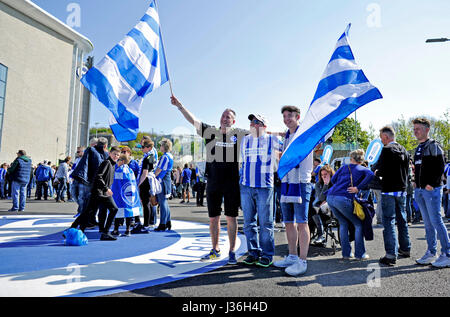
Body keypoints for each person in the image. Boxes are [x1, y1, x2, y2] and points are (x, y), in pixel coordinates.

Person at [171, 95, 248, 262]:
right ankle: (215, 249)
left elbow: (261, 132)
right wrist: (180, 106)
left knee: (231, 217)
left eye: (228, 116)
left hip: (231, 183)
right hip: (213, 181)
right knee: (213, 218)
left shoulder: (240, 134)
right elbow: (194, 121)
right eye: (223, 115)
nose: (225, 118)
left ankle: (232, 250)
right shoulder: (211, 132)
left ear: (233, 121)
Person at [273, 105, 314, 276]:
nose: (286, 119)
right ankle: (292, 255)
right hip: (286, 182)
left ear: (298, 117)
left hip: (301, 182)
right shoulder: (287, 136)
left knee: (302, 222)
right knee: (289, 222)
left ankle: (302, 260)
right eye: (284, 116)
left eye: (290, 115)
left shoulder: (305, 133)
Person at [239, 114, 281, 267]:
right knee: (248, 223)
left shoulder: (273, 140)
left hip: (265, 187)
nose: (253, 124)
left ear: (264, 126)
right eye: (251, 121)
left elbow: (290, 149)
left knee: (265, 223)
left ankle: (267, 255)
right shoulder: (245, 140)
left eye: (257, 122)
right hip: (246, 186)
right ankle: (253, 253)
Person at [412, 118, 449, 268]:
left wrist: (431, 184)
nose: (415, 131)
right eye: (414, 129)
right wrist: (415, 181)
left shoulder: (434, 146)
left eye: (418, 128)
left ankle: (447, 253)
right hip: (420, 190)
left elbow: (442, 166)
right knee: (427, 223)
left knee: (436, 221)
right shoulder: (418, 148)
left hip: (431, 190)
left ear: (427, 129)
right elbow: (417, 168)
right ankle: (431, 252)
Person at [326, 149, 374, 261]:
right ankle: (360, 254)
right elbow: (371, 175)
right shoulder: (362, 168)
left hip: (331, 197)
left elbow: (333, 180)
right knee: (358, 224)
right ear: (361, 160)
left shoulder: (343, 167)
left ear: (351, 159)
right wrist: (358, 188)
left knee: (343, 224)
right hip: (343, 198)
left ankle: (346, 254)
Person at [374, 126, 411, 266]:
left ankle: (390, 255)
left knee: (389, 221)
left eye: (381, 137)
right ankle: (405, 248)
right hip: (402, 189)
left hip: (388, 190)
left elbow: (381, 170)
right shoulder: (404, 151)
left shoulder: (386, 150)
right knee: (402, 219)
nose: (381, 140)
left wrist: (377, 172)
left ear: (386, 137)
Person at [70, 146, 121, 240]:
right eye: (114, 154)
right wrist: (106, 189)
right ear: (110, 153)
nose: (116, 156)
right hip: (100, 192)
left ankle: (71, 229)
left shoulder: (112, 164)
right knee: (114, 209)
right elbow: (99, 176)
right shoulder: (107, 162)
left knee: (87, 212)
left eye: (118, 155)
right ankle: (105, 232)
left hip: (98, 192)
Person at [71, 137, 109, 220]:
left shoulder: (94, 151)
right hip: (93, 180)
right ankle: (88, 219)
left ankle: (86, 219)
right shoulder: (102, 153)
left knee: (87, 200)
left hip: (89, 180)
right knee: (90, 201)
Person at [111, 153, 142, 237]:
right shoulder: (130, 170)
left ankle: (116, 229)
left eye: (119, 160)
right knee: (128, 212)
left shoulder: (119, 170)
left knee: (119, 212)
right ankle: (128, 230)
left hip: (120, 195)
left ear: (123, 161)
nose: (117, 161)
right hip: (130, 195)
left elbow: (115, 184)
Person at [310, 164, 335, 245]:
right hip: (320, 208)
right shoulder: (318, 184)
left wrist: (327, 200)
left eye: (326, 174)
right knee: (313, 208)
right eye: (322, 175)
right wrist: (325, 185)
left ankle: (321, 235)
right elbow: (320, 198)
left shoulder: (336, 183)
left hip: (333, 207)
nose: (324, 176)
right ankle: (321, 235)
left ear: (330, 174)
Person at [154, 138, 174, 231]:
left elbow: (159, 169)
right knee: (164, 202)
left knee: (162, 202)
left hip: (162, 180)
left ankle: (163, 223)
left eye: (161, 145)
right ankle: (168, 222)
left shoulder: (165, 156)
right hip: (166, 180)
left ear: (164, 146)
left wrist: (153, 176)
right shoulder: (170, 156)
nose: (160, 147)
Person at [137, 139, 157, 229]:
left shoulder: (147, 158)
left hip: (145, 182)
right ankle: (147, 223)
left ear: (149, 148)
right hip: (148, 181)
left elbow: (144, 173)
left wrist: (139, 184)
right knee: (146, 203)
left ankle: (146, 224)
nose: (141, 149)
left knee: (145, 203)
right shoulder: (151, 156)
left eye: (143, 147)